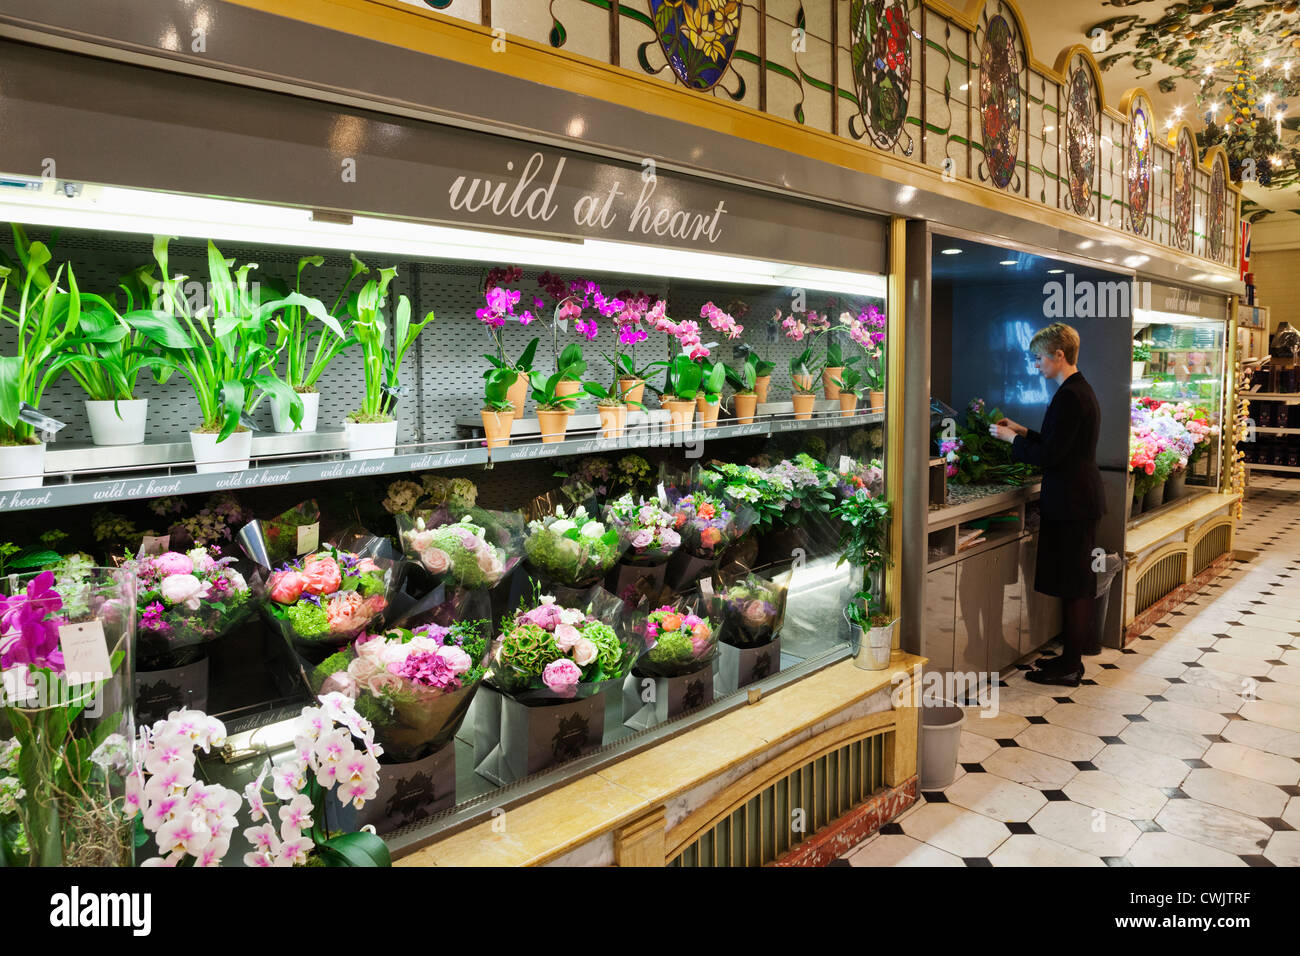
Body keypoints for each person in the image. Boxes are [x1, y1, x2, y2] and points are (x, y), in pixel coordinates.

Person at [989, 322, 1105, 686]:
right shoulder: (1078, 389)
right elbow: (1059, 441)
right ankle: (1070, 660)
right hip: (1079, 499)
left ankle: (1070, 666)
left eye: (1039, 357)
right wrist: (1024, 431)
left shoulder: (1070, 395)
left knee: (1074, 585)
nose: (1036, 364)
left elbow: (1052, 455)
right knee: (1076, 583)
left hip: (1072, 502)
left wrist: (1011, 441)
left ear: (1059, 355)